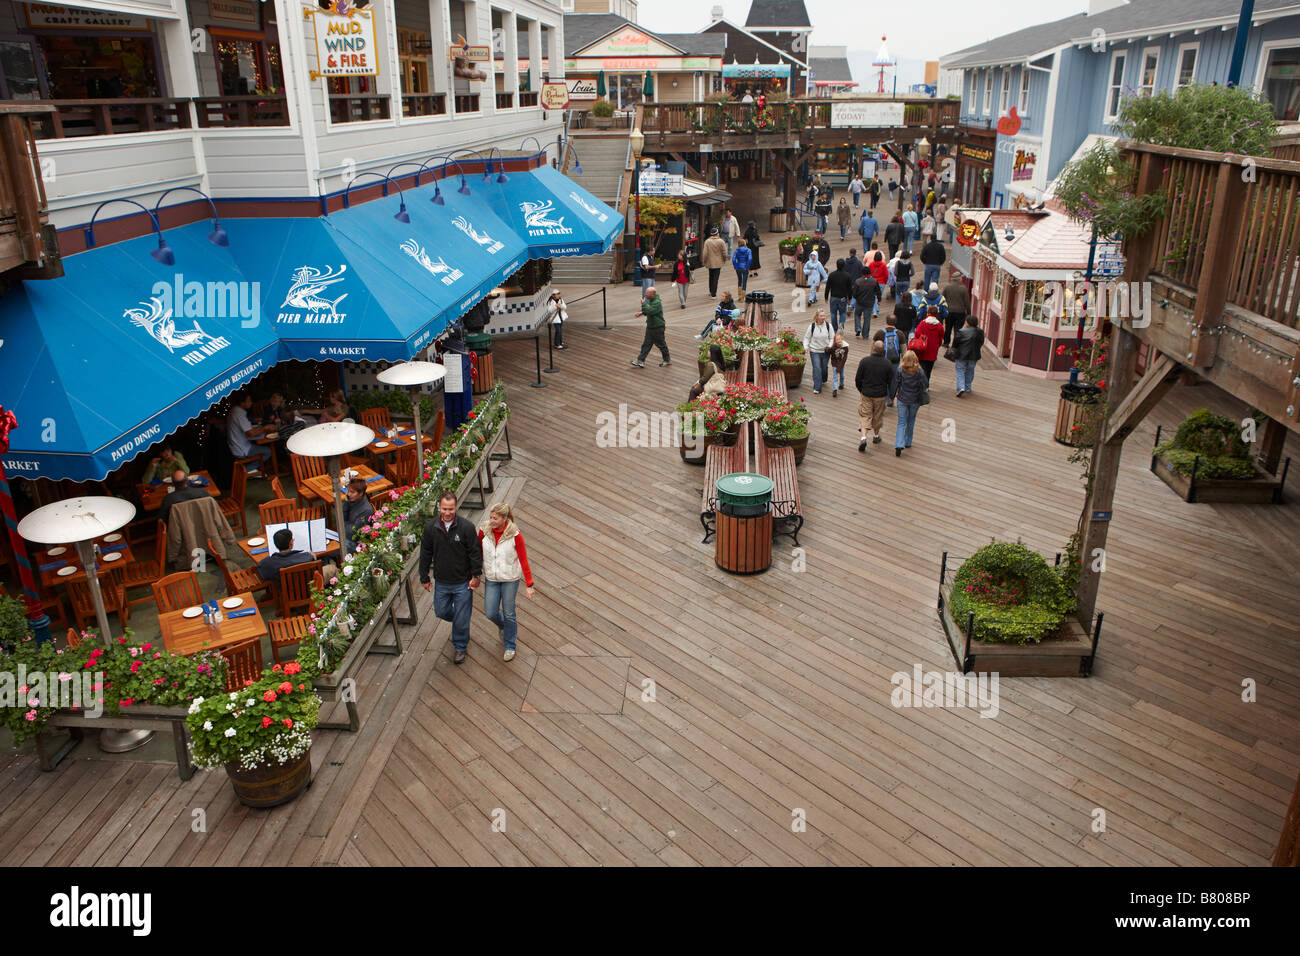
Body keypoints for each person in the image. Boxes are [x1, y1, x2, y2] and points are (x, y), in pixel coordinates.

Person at [419, 492, 482, 666]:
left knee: (461, 618)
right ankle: (461, 622)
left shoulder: (467, 527)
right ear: (439, 508)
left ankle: (460, 646)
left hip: (462, 582)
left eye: (451, 509)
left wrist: (476, 575)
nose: (447, 512)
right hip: (442, 581)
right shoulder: (431, 528)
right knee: (441, 611)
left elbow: (475, 553)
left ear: (456, 507)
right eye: (444, 509)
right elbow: (425, 553)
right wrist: (424, 576)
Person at [477, 502, 535, 662]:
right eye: (490, 517)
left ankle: (510, 645)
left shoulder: (515, 535)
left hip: (510, 579)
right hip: (492, 578)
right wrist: (475, 574)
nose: (491, 521)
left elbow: (523, 559)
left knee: (509, 613)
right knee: (490, 612)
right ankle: (503, 625)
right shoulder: (484, 531)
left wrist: (529, 584)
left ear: (504, 518)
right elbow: (478, 552)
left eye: (495, 518)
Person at [855, 340, 894, 451]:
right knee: (877, 415)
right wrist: (891, 395)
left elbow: (858, 378)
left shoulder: (865, 361)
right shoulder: (887, 363)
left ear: (873, 349)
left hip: (866, 393)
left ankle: (863, 437)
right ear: (883, 351)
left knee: (865, 415)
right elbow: (891, 381)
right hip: (880, 395)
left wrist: (861, 389)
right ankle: (876, 436)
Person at [890, 350, 928, 457]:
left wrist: (892, 396)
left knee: (901, 422)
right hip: (915, 399)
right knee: (911, 420)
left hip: (902, 398)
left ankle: (899, 443)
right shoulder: (919, 371)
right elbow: (925, 384)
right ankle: (908, 441)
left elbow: (895, 384)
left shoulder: (900, 370)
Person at [227, 393, 271, 468]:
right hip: (241, 449)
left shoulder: (235, 410)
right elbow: (250, 433)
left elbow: (248, 430)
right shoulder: (239, 413)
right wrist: (265, 428)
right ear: (242, 403)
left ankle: (251, 469)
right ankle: (247, 470)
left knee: (262, 445)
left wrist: (261, 428)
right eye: (249, 401)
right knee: (268, 451)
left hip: (236, 445)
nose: (251, 403)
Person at [631, 287, 670, 368]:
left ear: (652, 294)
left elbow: (650, 311)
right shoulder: (652, 301)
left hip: (657, 327)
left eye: (647, 293)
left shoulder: (657, 302)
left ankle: (667, 360)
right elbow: (649, 309)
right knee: (646, 344)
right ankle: (640, 360)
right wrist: (641, 313)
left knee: (661, 344)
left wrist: (643, 304)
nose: (645, 294)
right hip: (651, 326)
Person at [802, 310, 834, 394]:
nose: (823, 317)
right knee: (817, 368)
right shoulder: (812, 326)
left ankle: (824, 378)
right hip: (814, 350)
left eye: (824, 316)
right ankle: (817, 387)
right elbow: (806, 338)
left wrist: (830, 346)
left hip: (825, 351)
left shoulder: (828, 326)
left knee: (824, 367)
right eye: (821, 316)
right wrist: (805, 346)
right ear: (817, 317)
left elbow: (832, 338)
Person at [953, 315, 985, 397]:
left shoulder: (961, 331)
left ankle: (961, 387)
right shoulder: (980, 332)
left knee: (960, 370)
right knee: (970, 370)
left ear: (967, 323)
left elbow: (955, 344)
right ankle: (967, 386)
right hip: (974, 355)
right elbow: (981, 342)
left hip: (961, 355)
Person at [910, 306, 945, 383]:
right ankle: (926, 384)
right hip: (933, 350)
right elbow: (941, 337)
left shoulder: (922, 323)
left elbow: (917, 334)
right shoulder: (939, 325)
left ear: (928, 312)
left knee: (921, 367)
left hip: (922, 348)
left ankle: (920, 383)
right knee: (929, 369)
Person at [342, 477, 374, 555]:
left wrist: (342, 525)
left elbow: (353, 534)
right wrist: (346, 502)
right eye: (348, 491)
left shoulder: (366, 511)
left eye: (352, 492)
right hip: (346, 532)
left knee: (327, 550)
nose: (348, 494)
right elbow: (342, 517)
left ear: (361, 493)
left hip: (355, 543)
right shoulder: (352, 500)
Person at [851, 267, 881, 339]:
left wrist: (857, 298)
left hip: (859, 302)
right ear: (870, 273)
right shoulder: (874, 281)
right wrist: (879, 300)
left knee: (857, 315)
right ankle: (865, 335)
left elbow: (854, 293)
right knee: (867, 319)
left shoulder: (858, 281)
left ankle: (858, 328)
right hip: (869, 303)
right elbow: (878, 292)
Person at [825, 258, 853, 333]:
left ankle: (835, 329)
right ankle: (841, 325)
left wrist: (826, 297)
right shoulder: (847, 276)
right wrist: (850, 297)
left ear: (836, 265)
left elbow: (828, 286)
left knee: (833, 314)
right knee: (843, 313)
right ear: (844, 266)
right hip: (843, 297)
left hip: (834, 297)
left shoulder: (832, 275)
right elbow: (850, 288)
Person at [942, 276, 971, 347]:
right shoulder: (963, 289)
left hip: (949, 311)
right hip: (960, 312)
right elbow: (967, 302)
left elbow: (942, 299)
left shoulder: (947, 287)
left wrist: (943, 310)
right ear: (959, 279)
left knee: (948, 327)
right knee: (957, 329)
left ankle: (946, 343)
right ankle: (955, 345)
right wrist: (969, 312)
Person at [701, 227, 728, 297]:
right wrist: (724, 259)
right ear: (717, 234)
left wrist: (704, 261)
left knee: (711, 277)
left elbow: (705, 253)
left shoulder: (707, 242)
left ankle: (710, 291)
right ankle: (714, 293)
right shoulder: (721, 241)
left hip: (710, 262)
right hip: (718, 262)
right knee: (716, 278)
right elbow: (724, 252)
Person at [829, 332, 849, 398]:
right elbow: (830, 352)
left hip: (841, 363)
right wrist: (827, 350)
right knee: (835, 377)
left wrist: (840, 367)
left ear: (842, 339)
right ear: (835, 341)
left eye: (840, 339)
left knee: (842, 375)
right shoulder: (834, 347)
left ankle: (841, 384)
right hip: (835, 363)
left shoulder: (845, 347)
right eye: (837, 340)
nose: (839, 341)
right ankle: (835, 390)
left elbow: (844, 358)